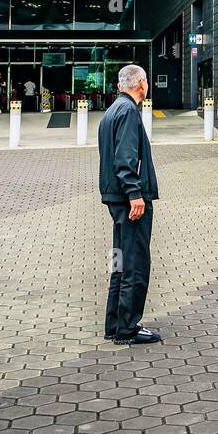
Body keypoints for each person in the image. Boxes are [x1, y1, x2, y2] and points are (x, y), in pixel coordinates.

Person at [98, 64, 161, 346]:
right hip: (129, 200)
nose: (147, 85)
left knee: (120, 261)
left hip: (116, 198)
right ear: (141, 83)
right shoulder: (128, 112)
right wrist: (135, 194)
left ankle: (115, 324)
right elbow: (125, 158)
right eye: (146, 80)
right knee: (134, 263)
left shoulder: (112, 110)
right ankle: (128, 328)